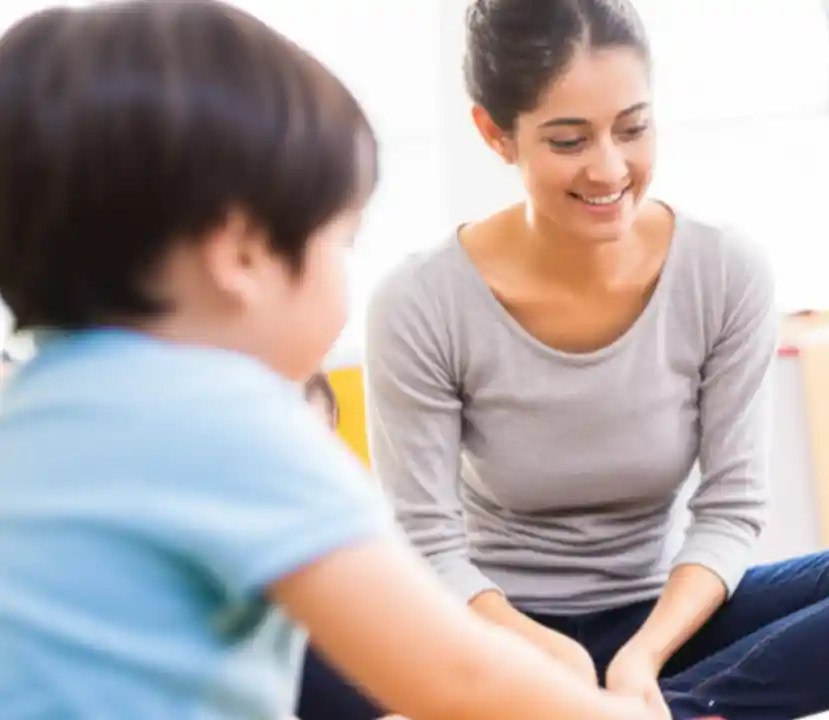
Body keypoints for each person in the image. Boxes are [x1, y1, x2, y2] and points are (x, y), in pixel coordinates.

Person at [0, 2, 667, 719]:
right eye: (341, 239)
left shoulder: (28, 413)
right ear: (242, 255)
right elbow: (457, 676)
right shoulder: (225, 418)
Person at [355, 2, 829, 719]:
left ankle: (651, 711)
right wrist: (553, 659)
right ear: (495, 133)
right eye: (568, 140)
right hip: (499, 631)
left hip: (667, 625)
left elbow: (731, 507)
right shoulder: (420, 301)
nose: (609, 168)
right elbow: (425, 543)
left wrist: (643, 658)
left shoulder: (724, 270)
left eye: (633, 128)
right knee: (311, 648)